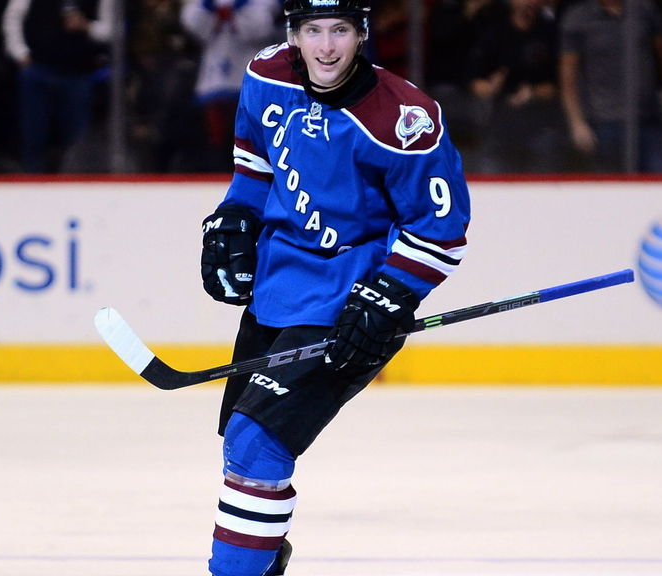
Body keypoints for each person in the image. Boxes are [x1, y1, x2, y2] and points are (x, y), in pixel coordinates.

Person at [197, 1, 471, 574]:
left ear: (362, 34)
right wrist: (235, 216)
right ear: (293, 34)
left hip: (347, 303)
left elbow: (440, 230)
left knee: (257, 443)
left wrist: (391, 294)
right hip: (277, 288)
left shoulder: (405, 119)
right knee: (240, 450)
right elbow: (254, 165)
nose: (326, 47)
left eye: (340, 31)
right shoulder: (266, 75)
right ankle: (262, 560)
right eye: (313, 31)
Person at [558, 0, 662, 172]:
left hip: (648, 119)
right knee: (612, 190)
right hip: (603, 122)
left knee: (659, 186)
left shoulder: (644, 10)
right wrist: (576, 122)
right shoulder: (578, 17)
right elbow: (568, 76)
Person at [2, 0, 113, 173]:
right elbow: (13, 17)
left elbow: (112, 31)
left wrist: (87, 26)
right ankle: (31, 182)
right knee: (33, 138)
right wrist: (19, 53)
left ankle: (76, 183)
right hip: (38, 70)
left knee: (76, 141)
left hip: (78, 74)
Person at [179, 0, 283, 171]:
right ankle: (216, 168)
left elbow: (261, 26)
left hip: (254, 69)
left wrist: (234, 12)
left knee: (254, 132)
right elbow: (191, 20)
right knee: (215, 135)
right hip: (214, 73)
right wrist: (212, 10)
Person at [464, 0, 566, 172]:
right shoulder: (494, 33)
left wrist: (533, 93)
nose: (529, 3)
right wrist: (491, 88)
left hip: (541, 128)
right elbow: (474, 82)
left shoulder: (549, 33)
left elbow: (558, 85)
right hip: (499, 128)